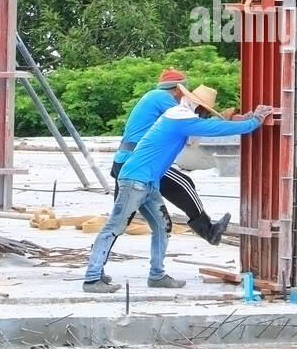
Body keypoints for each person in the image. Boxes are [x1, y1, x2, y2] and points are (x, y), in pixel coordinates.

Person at [83, 86, 272, 293]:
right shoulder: (181, 119)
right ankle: (92, 279)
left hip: (148, 181)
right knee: (115, 226)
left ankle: (157, 275)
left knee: (163, 226)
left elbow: (208, 127)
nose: (204, 116)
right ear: (198, 108)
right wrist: (254, 122)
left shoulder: (178, 116)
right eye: (205, 112)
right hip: (136, 180)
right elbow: (216, 130)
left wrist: (240, 120)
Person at [111, 69, 233, 245]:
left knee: (120, 218)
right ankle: (209, 231)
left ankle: (98, 254)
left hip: (124, 160)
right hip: (141, 162)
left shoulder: (152, 99)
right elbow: (190, 125)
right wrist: (224, 121)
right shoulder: (163, 99)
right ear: (177, 90)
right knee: (185, 184)